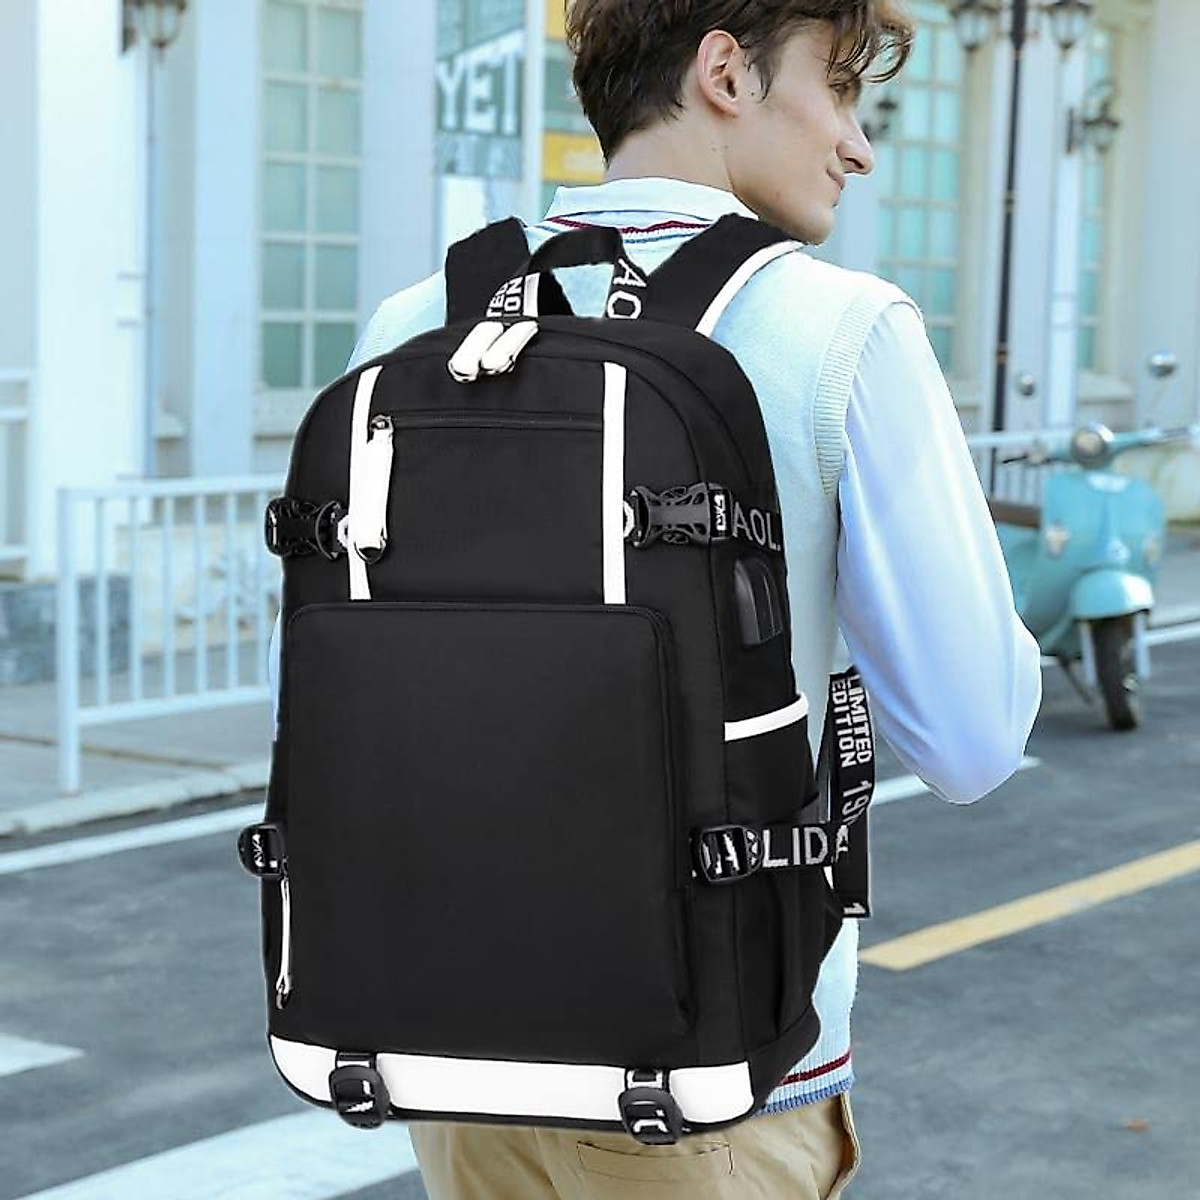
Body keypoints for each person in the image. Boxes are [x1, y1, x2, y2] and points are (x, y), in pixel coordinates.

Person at [268, 1, 1043, 1195]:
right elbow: (973, 740)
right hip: (711, 1085)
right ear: (726, 71)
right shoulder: (842, 329)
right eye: (840, 90)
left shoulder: (416, 320)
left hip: (445, 1054)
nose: (858, 145)